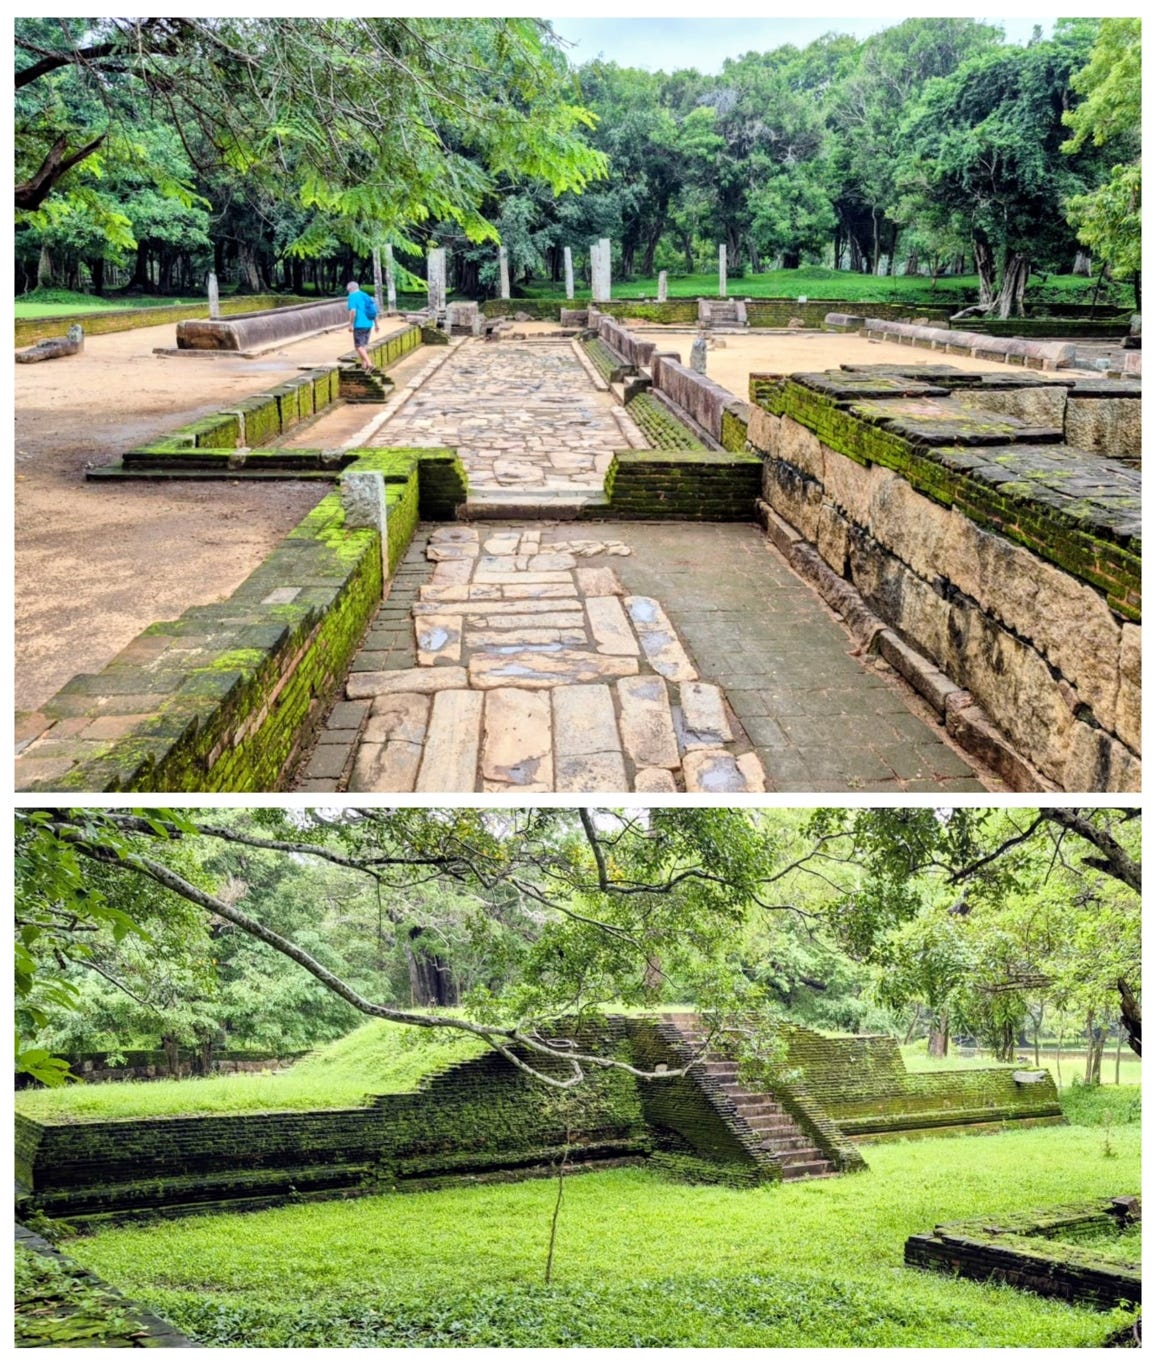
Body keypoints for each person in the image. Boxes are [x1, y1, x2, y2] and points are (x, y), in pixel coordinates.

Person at [346, 279, 379, 373]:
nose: (348, 292)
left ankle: (369, 364)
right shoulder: (365, 295)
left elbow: (353, 311)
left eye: (348, 290)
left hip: (359, 324)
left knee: (358, 346)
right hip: (369, 324)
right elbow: (374, 310)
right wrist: (376, 324)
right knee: (362, 345)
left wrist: (351, 324)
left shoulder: (352, 296)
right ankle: (364, 365)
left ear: (351, 289)